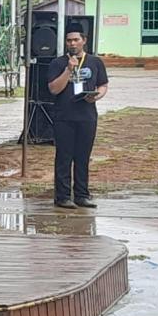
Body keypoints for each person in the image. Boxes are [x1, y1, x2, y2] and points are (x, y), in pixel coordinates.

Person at [46, 23, 109, 209]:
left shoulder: (95, 62)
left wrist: (97, 96)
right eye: (69, 40)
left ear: (84, 41)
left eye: (76, 40)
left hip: (87, 116)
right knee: (64, 157)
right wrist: (68, 69)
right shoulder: (57, 63)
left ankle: (82, 195)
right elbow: (54, 89)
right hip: (64, 116)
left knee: (83, 157)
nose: (72, 43)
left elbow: (103, 85)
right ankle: (62, 197)